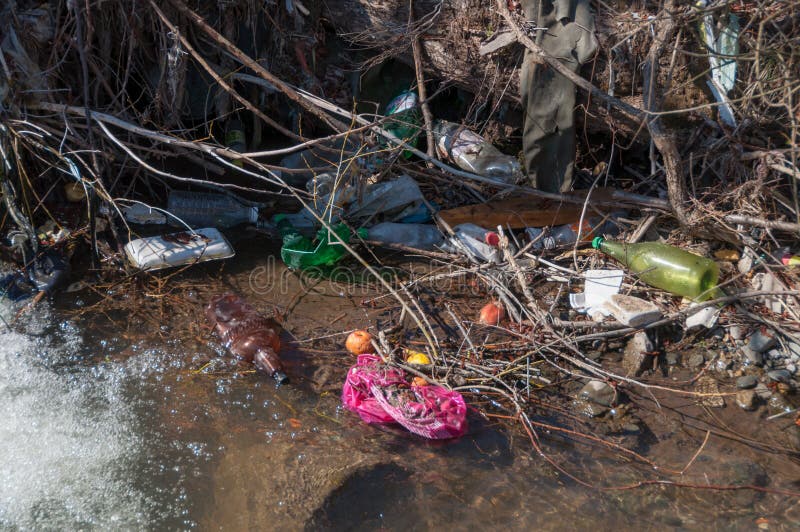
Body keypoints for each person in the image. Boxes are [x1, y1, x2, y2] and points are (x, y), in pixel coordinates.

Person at [520, 0, 598, 192]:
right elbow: (587, 50)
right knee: (542, 115)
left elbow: (587, 50)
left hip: (554, 46)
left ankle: (549, 189)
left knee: (544, 114)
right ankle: (547, 188)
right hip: (550, 46)